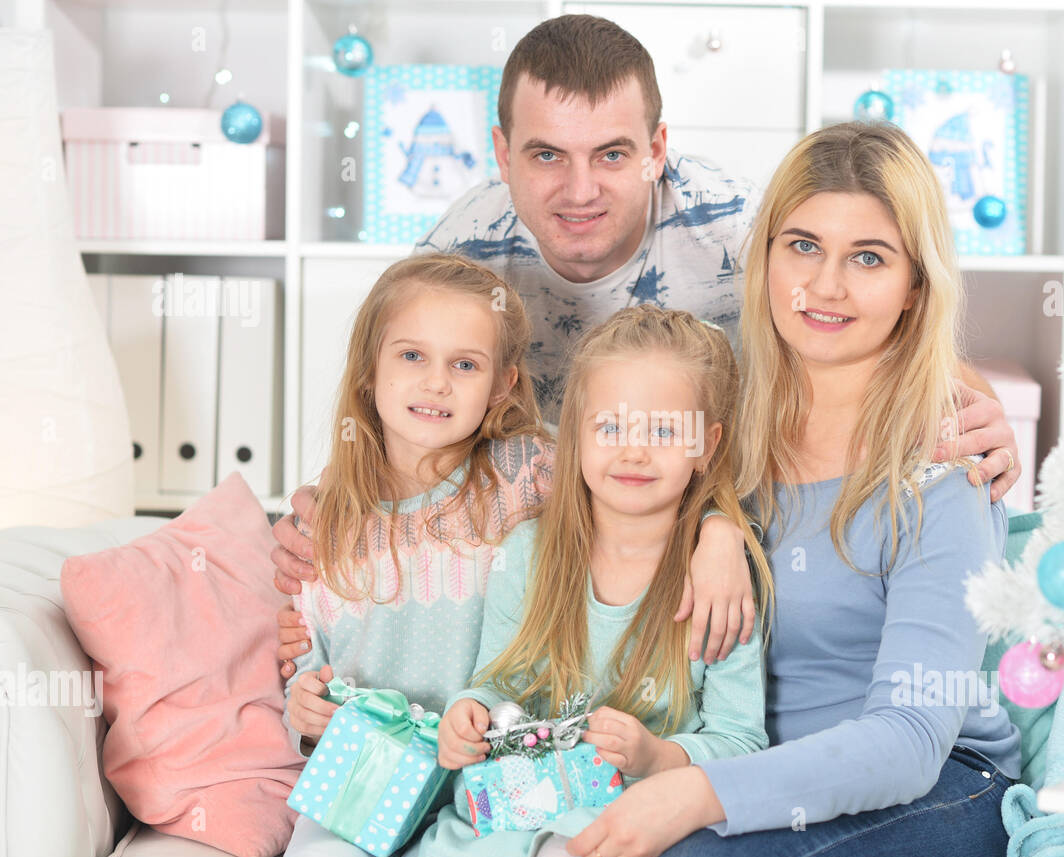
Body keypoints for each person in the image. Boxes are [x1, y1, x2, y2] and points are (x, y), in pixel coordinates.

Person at [270, 14, 1023, 669]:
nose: (580, 190)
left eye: (612, 154)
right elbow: (398, 399)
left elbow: (876, 316)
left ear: (658, 147)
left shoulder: (736, 230)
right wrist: (338, 505)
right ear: (501, 154)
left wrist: (981, 412)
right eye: (546, 155)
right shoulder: (462, 252)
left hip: (691, 503)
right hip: (527, 530)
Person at [565, 121, 1022, 857]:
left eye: (868, 257)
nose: (825, 285)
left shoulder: (947, 467)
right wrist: (718, 519)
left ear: (914, 286)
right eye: (803, 245)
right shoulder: (715, 426)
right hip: (747, 766)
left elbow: (908, 739)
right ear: (767, 256)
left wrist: (700, 791)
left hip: (937, 782)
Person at [418, 304, 772, 857]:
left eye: (663, 429)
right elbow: (498, 684)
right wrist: (470, 710)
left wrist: (657, 757)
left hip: (629, 820)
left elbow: (741, 740)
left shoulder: (718, 581)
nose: (633, 450)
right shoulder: (529, 553)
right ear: (575, 436)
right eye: (610, 427)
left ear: (706, 445)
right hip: (511, 810)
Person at [280, 253, 553, 857]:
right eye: (411, 356)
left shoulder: (529, 475)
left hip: (498, 773)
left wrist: (717, 531)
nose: (437, 382)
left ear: (503, 384)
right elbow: (306, 659)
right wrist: (302, 705)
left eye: (464, 364)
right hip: (367, 774)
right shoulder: (324, 519)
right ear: (369, 371)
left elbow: (638, 497)